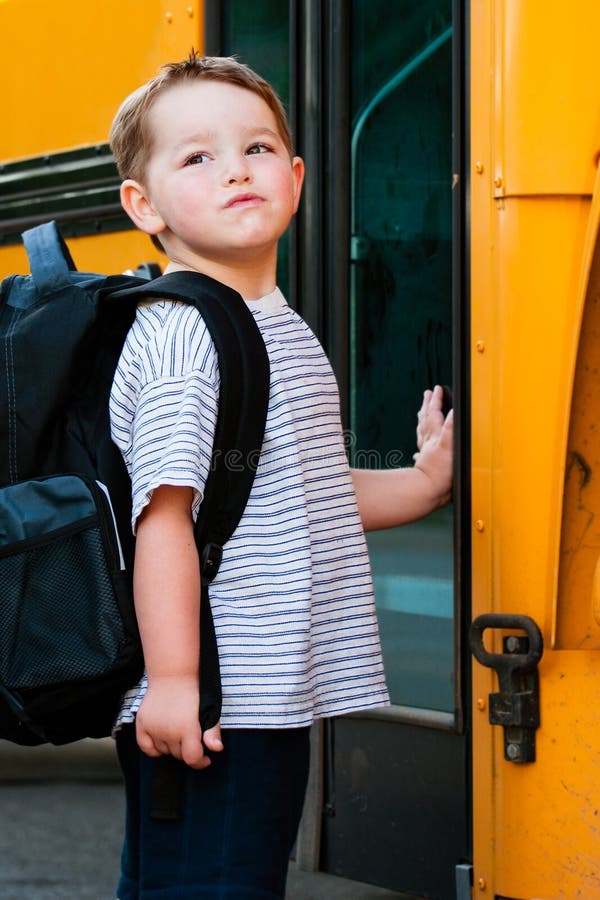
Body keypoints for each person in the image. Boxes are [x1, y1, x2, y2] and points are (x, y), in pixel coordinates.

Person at [108, 52, 453, 899]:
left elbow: (303, 495)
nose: (235, 168)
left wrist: (423, 483)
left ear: (296, 180)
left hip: (267, 693)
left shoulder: (274, 323)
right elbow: (163, 521)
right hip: (217, 701)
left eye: (257, 148)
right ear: (142, 205)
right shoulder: (187, 335)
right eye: (197, 157)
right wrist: (178, 686)